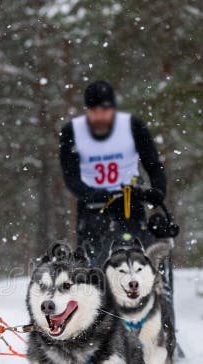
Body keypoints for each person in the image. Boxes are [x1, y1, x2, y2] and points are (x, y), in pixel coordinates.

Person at [59, 80, 168, 263]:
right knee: (94, 261)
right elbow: (70, 176)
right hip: (93, 205)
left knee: (142, 256)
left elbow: (153, 165)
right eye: (94, 111)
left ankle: (155, 286)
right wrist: (90, 194)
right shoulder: (72, 132)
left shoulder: (133, 126)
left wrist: (158, 190)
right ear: (87, 110)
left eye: (105, 111)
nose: (100, 116)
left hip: (129, 199)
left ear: (113, 109)